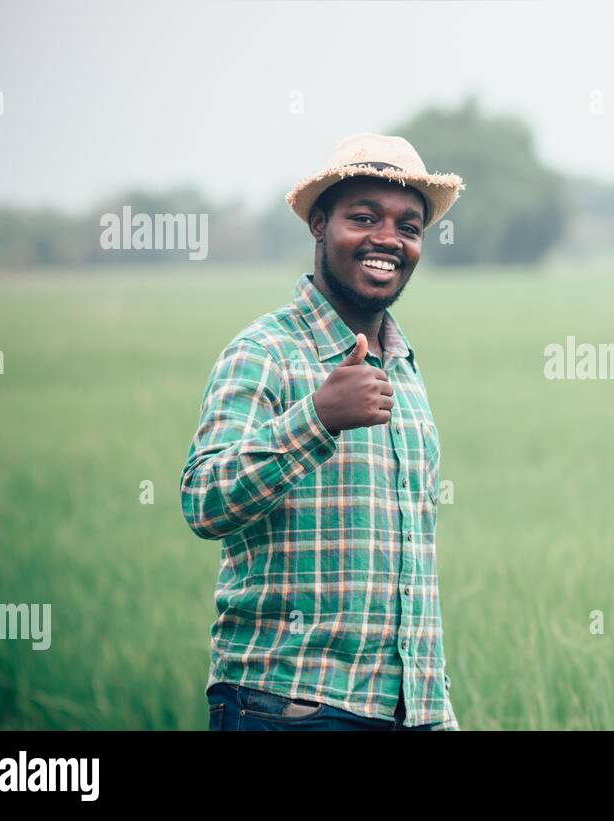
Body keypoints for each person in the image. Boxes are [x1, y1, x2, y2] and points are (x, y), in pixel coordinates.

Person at [180, 134, 465, 730]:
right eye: (364, 218)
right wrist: (316, 419)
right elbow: (204, 500)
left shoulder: (404, 366)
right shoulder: (265, 352)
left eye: (408, 227)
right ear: (319, 224)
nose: (388, 238)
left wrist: (434, 714)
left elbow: (410, 566)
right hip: (286, 707)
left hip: (400, 711)